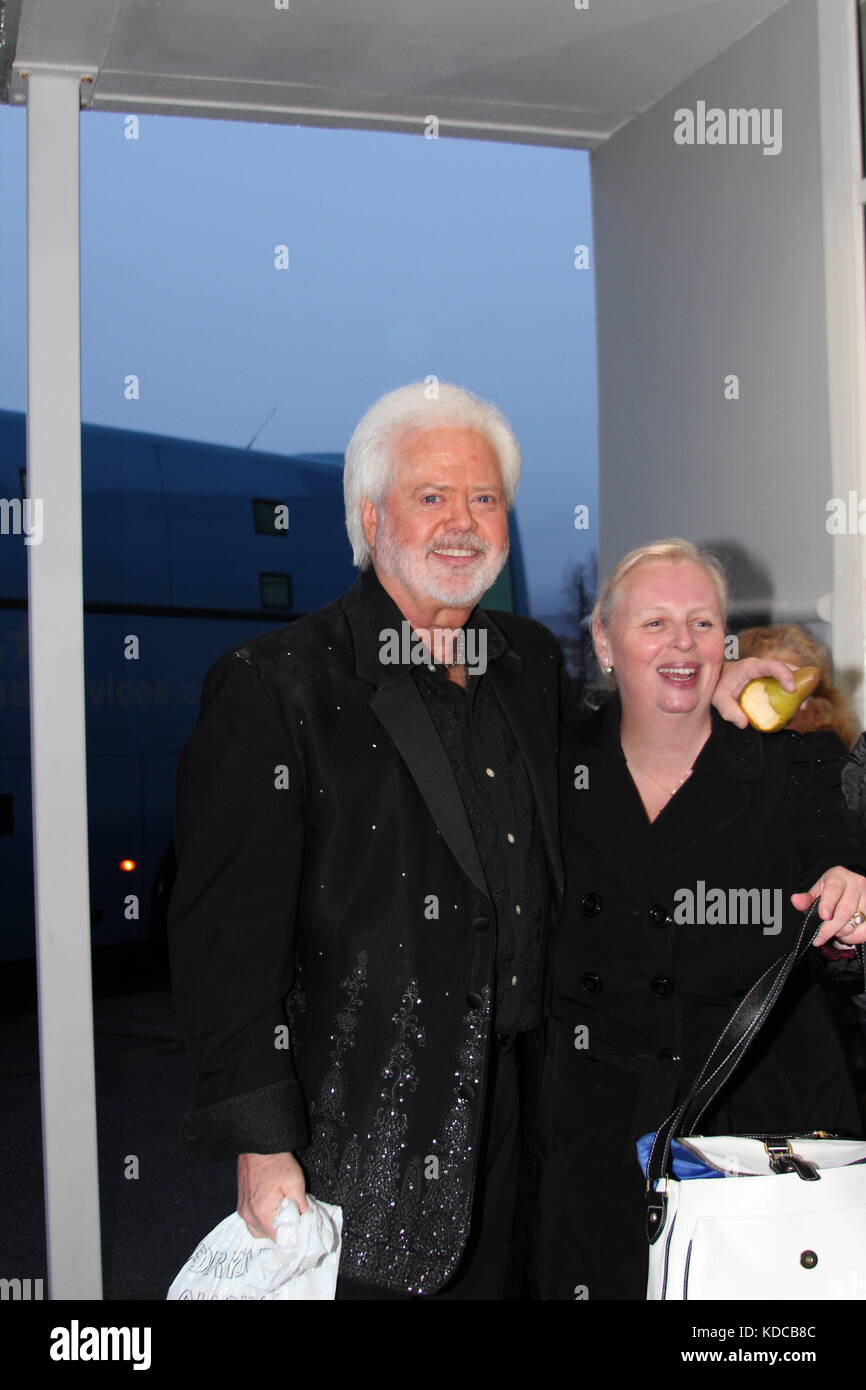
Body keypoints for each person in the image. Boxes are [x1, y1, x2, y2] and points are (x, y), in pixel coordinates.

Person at [168, 394, 797, 1300]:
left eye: (487, 500)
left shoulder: (525, 659)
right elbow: (224, 941)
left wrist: (700, 674)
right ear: (370, 516)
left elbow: (602, 741)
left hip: (524, 1116)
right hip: (362, 1137)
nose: (464, 524)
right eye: (433, 498)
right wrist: (261, 1144)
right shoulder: (278, 686)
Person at [533, 539, 866, 1301]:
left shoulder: (793, 768)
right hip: (591, 1142)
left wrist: (850, 908)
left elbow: (840, 918)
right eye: (655, 623)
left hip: (757, 1145)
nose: (683, 643)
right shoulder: (545, 766)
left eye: (703, 624)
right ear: (603, 642)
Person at [736, 623, 859, 747]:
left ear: (818, 712)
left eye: (790, 682)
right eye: (764, 683)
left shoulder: (831, 757)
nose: (769, 701)